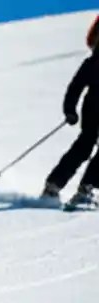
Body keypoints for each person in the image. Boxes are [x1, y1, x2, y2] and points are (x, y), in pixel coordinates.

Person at [42, 45, 99, 210]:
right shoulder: (94, 62)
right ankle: (83, 188)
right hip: (93, 106)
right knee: (85, 144)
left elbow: (76, 86)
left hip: (91, 106)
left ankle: (57, 186)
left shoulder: (92, 61)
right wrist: (69, 109)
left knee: (84, 144)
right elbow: (76, 86)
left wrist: (70, 109)